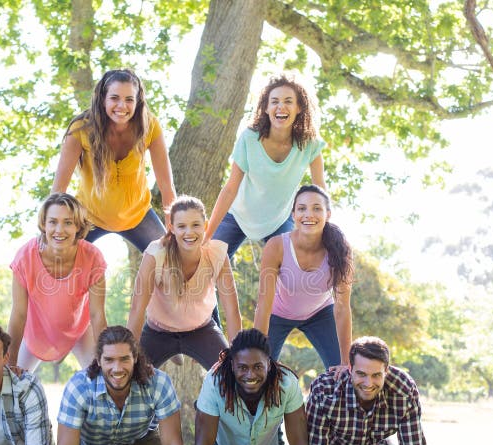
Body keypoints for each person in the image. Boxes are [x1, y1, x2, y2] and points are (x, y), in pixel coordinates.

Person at [53, 326, 186, 445]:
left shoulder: (158, 383)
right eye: (109, 360)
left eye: (124, 359)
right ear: (98, 360)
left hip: (141, 440)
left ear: (136, 358)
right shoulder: (79, 387)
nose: (117, 368)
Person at [52, 69, 177, 253]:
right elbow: (58, 189)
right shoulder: (81, 129)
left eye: (129, 99)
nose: (122, 105)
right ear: (103, 99)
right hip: (88, 216)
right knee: (57, 260)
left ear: (138, 102)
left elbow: (166, 186)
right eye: (115, 98)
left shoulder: (149, 126)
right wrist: (51, 228)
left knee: (170, 261)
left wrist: (173, 230)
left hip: (138, 214)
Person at [205, 74, 327, 258]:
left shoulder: (310, 144)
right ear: (266, 107)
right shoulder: (249, 138)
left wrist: (326, 231)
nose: (281, 106)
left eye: (288, 101)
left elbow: (320, 191)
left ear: (299, 107)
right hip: (239, 215)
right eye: (275, 101)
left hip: (280, 219)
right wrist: (207, 234)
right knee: (208, 262)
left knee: (289, 270)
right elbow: (230, 188)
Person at [191, 329, 311, 445]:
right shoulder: (215, 382)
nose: (250, 375)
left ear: (269, 364)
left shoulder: (286, 384)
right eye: (243, 367)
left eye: (257, 367)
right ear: (232, 365)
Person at [306, 336, 429, 445]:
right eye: (361, 374)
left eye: (376, 375)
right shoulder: (325, 389)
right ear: (350, 368)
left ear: (386, 370)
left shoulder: (404, 389)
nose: (368, 383)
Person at [127, 195, 242, 370]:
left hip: (202, 330)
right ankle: (171, 353)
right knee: (135, 376)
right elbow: (137, 308)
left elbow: (232, 310)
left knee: (229, 373)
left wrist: (238, 357)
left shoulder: (216, 253)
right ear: (171, 228)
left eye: (196, 225)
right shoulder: (156, 253)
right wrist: (131, 357)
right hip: (158, 331)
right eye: (181, 226)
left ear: (205, 226)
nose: (189, 232)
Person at [253, 184, 353, 368]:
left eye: (317, 208)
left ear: (328, 214)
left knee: (344, 370)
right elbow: (263, 304)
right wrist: (256, 352)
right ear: (293, 215)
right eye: (301, 208)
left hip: (320, 313)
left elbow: (342, 308)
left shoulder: (340, 249)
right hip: (278, 314)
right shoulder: (276, 246)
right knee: (261, 369)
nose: (308, 214)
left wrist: (346, 360)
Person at [8, 192, 107, 371]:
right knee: (13, 382)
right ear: (44, 225)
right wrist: (10, 364)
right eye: (53, 222)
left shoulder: (92, 257)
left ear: (78, 226)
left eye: (68, 222)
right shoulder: (25, 257)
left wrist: (105, 359)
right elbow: (18, 314)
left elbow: (97, 314)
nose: (59, 230)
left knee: (100, 377)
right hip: (35, 334)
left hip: (78, 331)